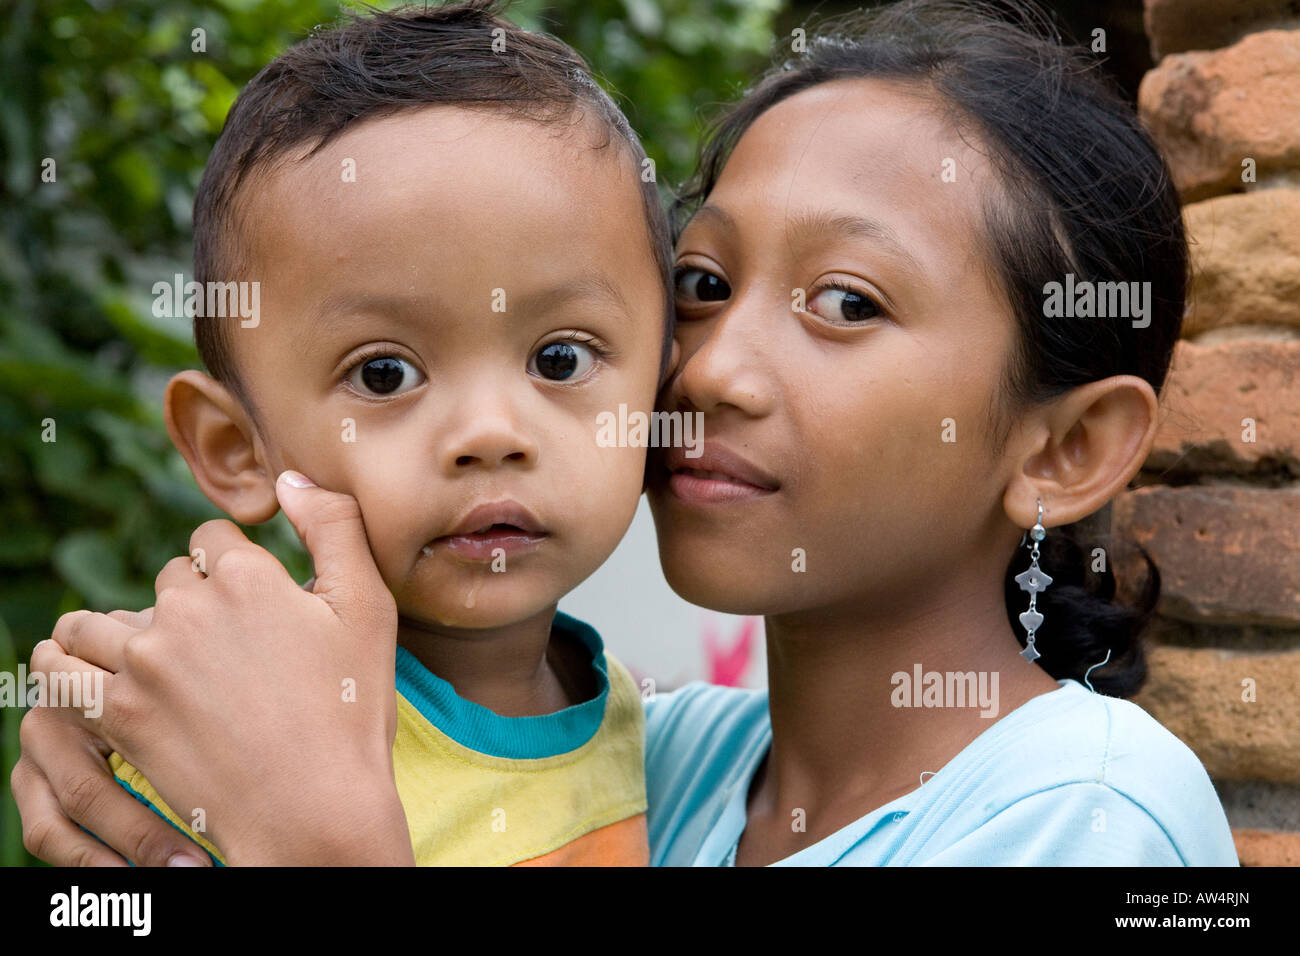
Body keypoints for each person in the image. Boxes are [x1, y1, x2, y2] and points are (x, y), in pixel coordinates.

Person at [14, 0, 1239, 866]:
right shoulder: (645, 756)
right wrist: (143, 717)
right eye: (702, 283)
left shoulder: (1086, 813)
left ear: (1062, 449)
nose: (710, 365)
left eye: (846, 302)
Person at [28, 0, 684, 866]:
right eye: (385, 374)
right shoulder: (221, 748)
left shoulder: (658, 741)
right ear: (236, 446)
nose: (490, 433)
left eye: (560, 359)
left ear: (664, 381)